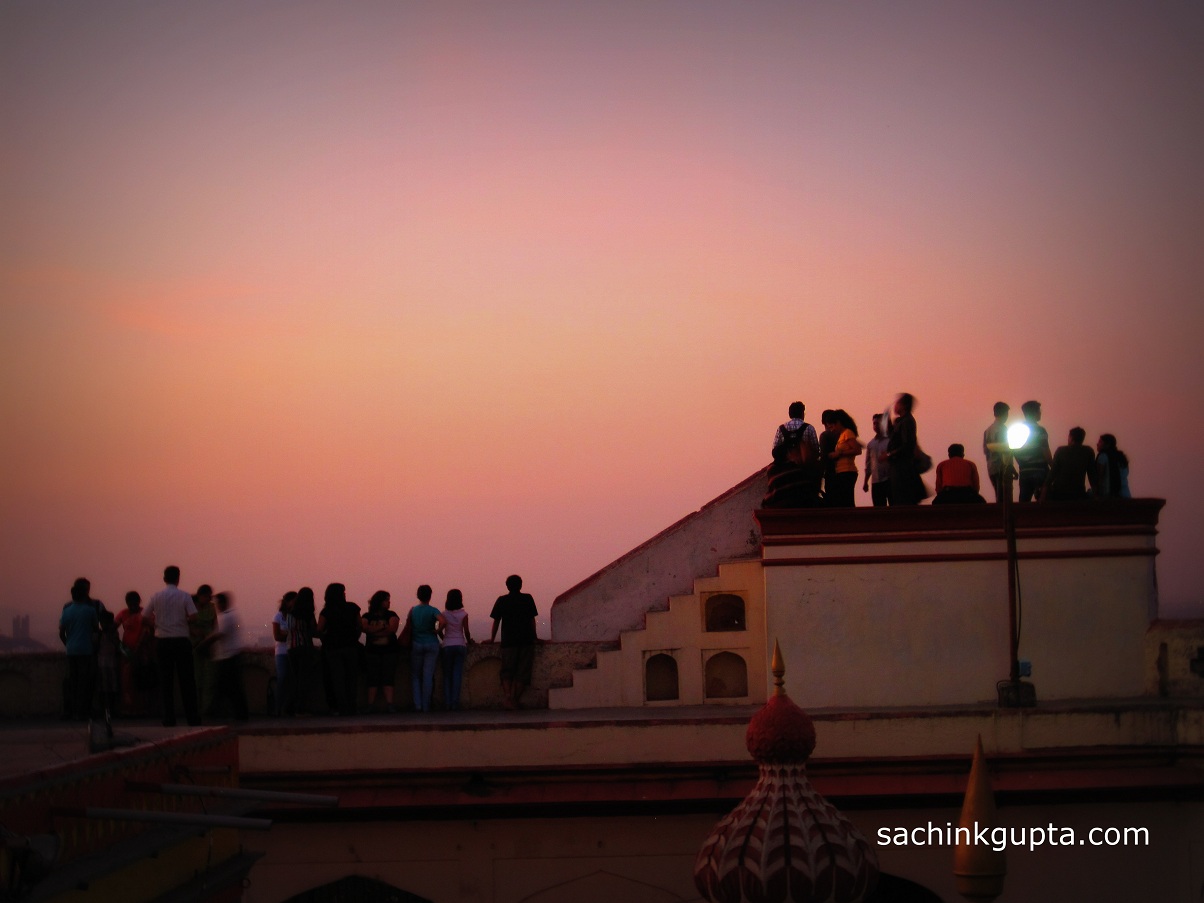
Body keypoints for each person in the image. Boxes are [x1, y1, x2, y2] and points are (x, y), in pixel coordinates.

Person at [144, 566, 200, 726]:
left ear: (164, 579)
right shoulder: (184, 596)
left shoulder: (156, 596)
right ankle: (192, 717)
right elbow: (194, 617)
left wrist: (157, 624)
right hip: (181, 640)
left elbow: (144, 618)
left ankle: (168, 718)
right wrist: (182, 621)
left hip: (162, 641)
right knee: (187, 681)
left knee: (166, 681)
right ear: (178, 578)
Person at [488, 575, 538, 710]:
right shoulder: (527, 598)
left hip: (508, 641)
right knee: (523, 673)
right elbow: (532, 619)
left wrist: (492, 639)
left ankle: (508, 697)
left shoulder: (502, 600)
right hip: (526, 640)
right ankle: (514, 701)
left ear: (507, 586)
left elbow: (496, 621)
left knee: (507, 671)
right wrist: (535, 637)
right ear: (521, 585)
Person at [198, 592, 248, 721]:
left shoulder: (227, 616)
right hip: (229, 655)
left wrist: (203, 644)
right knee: (230, 686)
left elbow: (218, 634)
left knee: (228, 687)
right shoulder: (230, 615)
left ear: (222, 603)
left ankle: (222, 713)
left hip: (228, 656)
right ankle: (237, 713)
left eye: (217, 603)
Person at [317, 583, 362, 716]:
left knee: (337, 679)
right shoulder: (353, 608)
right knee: (351, 678)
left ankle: (341, 708)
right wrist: (355, 637)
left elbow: (319, 629)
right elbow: (360, 626)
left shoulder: (326, 611)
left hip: (333, 648)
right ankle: (352, 707)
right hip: (350, 647)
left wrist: (325, 640)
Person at [59, 578, 99, 720]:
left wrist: (68, 644)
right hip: (86, 650)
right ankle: (82, 711)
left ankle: (70, 710)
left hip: (71, 650)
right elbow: (95, 630)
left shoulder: (66, 610)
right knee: (84, 681)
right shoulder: (90, 610)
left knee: (71, 681)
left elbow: (61, 632)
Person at [762, 426, 822, 508]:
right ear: (788, 453)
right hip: (798, 505)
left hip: (779, 506)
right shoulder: (796, 469)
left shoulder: (771, 469)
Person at [116, 590, 154, 715]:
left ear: (138, 602)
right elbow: (112, 627)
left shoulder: (146, 614)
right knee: (127, 681)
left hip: (143, 652)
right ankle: (129, 708)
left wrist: (139, 648)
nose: (132, 605)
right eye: (129, 603)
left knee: (143, 680)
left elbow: (149, 630)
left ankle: (143, 709)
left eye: (134, 603)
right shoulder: (123, 614)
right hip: (127, 652)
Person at [362, 590, 400, 713]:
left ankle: (390, 704)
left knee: (388, 677)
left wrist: (374, 630)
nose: (389, 602)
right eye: (386, 600)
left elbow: (392, 629)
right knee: (372, 678)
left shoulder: (392, 614)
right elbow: (364, 628)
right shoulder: (367, 616)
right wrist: (383, 627)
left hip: (389, 651)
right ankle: (370, 705)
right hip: (372, 652)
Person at [887, 393, 928, 506]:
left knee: (903, 498)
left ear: (903, 405)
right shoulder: (901, 421)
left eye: (897, 403)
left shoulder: (907, 421)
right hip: (899, 466)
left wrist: (890, 454)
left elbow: (907, 445)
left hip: (902, 467)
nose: (895, 406)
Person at [407, 585, 441, 713]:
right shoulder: (433, 610)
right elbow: (442, 621)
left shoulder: (413, 610)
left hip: (417, 644)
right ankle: (426, 706)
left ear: (418, 595)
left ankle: (418, 705)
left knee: (415, 675)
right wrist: (437, 630)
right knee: (427, 675)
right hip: (432, 643)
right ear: (430, 595)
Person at [437, 589, 473, 711]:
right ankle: (455, 703)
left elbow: (439, 630)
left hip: (447, 645)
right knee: (457, 675)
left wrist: (444, 639)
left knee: (447, 675)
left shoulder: (444, 614)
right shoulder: (464, 614)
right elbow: (466, 632)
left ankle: (447, 703)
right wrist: (470, 641)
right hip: (460, 644)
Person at [285, 587, 318, 716]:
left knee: (295, 679)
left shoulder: (290, 614)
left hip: (291, 648)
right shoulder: (308, 614)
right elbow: (314, 630)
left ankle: (289, 708)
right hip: (304, 647)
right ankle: (300, 709)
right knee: (303, 680)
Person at [1013, 401, 1052, 503]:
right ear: (1034, 412)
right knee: (1044, 500)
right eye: (1039, 411)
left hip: (1024, 471)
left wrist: (1024, 463)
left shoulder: (1017, 431)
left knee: (1024, 501)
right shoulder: (1040, 430)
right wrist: (1053, 467)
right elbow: (1045, 451)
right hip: (1040, 470)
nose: (1040, 413)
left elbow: (1015, 452)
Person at [1046, 427, 1097, 501]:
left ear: (1071, 437)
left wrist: (1043, 494)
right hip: (1078, 492)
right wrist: (1096, 495)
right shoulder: (1088, 451)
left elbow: (1052, 473)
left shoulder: (1061, 451)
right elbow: (1092, 475)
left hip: (1059, 492)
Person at [190, 584, 218, 717]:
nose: (208, 599)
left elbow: (215, 626)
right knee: (195, 679)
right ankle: (194, 708)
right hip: (194, 645)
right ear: (200, 595)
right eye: (206, 596)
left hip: (208, 644)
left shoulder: (212, 608)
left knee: (208, 679)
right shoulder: (190, 606)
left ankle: (205, 710)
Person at [826, 409, 862, 508]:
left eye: (832, 426)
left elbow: (857, 450)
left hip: (847, 471)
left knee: (847, 500)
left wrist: (839, 454)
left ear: (838, 423)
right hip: (842, 471)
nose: (832, 430)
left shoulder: (848, 433)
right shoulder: (842, 435)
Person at [982, 402, 1014, 503]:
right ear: (1005, 414)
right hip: (1002, 466)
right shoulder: (1003, 429)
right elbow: (1005, 449)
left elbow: (985, 450)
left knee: (998, 495)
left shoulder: (988, 430)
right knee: (1004, 497)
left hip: (991, 466)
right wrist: (1010, 466)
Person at [271, 591, 296, 716]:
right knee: (282, 679)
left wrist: (285, 634)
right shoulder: (278, 616)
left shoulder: (294, 616)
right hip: (281, 652)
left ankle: (287, 708)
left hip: (292, 651)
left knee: (292, 681)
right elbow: (277, 636)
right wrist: (290, 635)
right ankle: (277, 708)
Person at [862, 414, 891, 507]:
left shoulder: (891, 441)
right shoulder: (871, 444)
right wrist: (865, 481)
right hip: (876, 481)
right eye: (874, 424)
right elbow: (868, 464)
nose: (875, 426)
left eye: (878, 423)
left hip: (890, 479)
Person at [1096, 434, 1131, 499]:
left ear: (1107, 444)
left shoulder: (1103, 456)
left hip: (1110, 496)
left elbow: (1099, 477)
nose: (1097, 444)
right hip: (1125, 494)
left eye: (1100, 442)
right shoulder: (1121, 457)